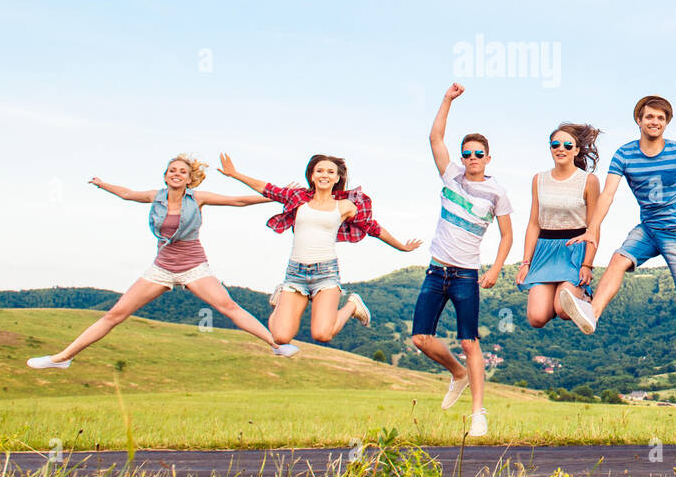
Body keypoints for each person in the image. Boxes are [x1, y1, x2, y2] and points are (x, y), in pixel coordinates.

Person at [27, 153, 294, 369]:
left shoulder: (198, 198)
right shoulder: (154, 197)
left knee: (228, 307)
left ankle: (275, 344)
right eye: (172, 170)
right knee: (115, 314)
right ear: (166, 176)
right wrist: (102, 183)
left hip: (194, 266)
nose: (176, 174)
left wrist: (279, 197)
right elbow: (127, 193)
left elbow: (238, 201)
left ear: (190, 179)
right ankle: (63, 358)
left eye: (182, 171)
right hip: (162, 267)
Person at [555, 95, 676, 332]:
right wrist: (592, 230)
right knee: (618, 259)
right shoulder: (624, 154)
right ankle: (593, 314)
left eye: (661, 118)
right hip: (649, 228)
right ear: (639, 120)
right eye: (650, 116)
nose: (655, 122)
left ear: (667, 123)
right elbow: (608, 194)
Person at [217, 152, 421, 345]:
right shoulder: (297, 198)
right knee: (280, 337)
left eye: (330, 172)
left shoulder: (345, 206)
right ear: (312, 176)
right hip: (295, 273)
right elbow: (267, 188)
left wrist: (401, 247)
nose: (325, 175)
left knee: (322, 334)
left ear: (337, 178)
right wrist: (235, 174)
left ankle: (352, 305)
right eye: (320, 171)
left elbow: (374, 228)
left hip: (326, 273)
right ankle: (280, 298)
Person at [413, 83, 513, 438]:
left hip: (467, 276)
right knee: (421, 338)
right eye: (467, 153)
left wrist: (496, 268)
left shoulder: (497, 192)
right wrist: (447, 99)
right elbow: (435, 137)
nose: (471, 159)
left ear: (488, 158)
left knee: (470, 341)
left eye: (478, 154)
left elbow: (508, 235)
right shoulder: (450, 175)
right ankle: (457, 373)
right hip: (436, 270)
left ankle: (478, 414)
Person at [515, 123, 601, 332]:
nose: (560, 149)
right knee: (536, 318)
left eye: (567, 145)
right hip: (544, 251)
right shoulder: (539, 179)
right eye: (555, 144)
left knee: (564, 310)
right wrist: (526, 262)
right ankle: (555, 299)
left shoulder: (589, 181)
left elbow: (594, 226)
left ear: (577, 150)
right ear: (550, 148)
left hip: (573, 250)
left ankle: (585, 295)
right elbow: (534, 223)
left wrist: (587, 264)